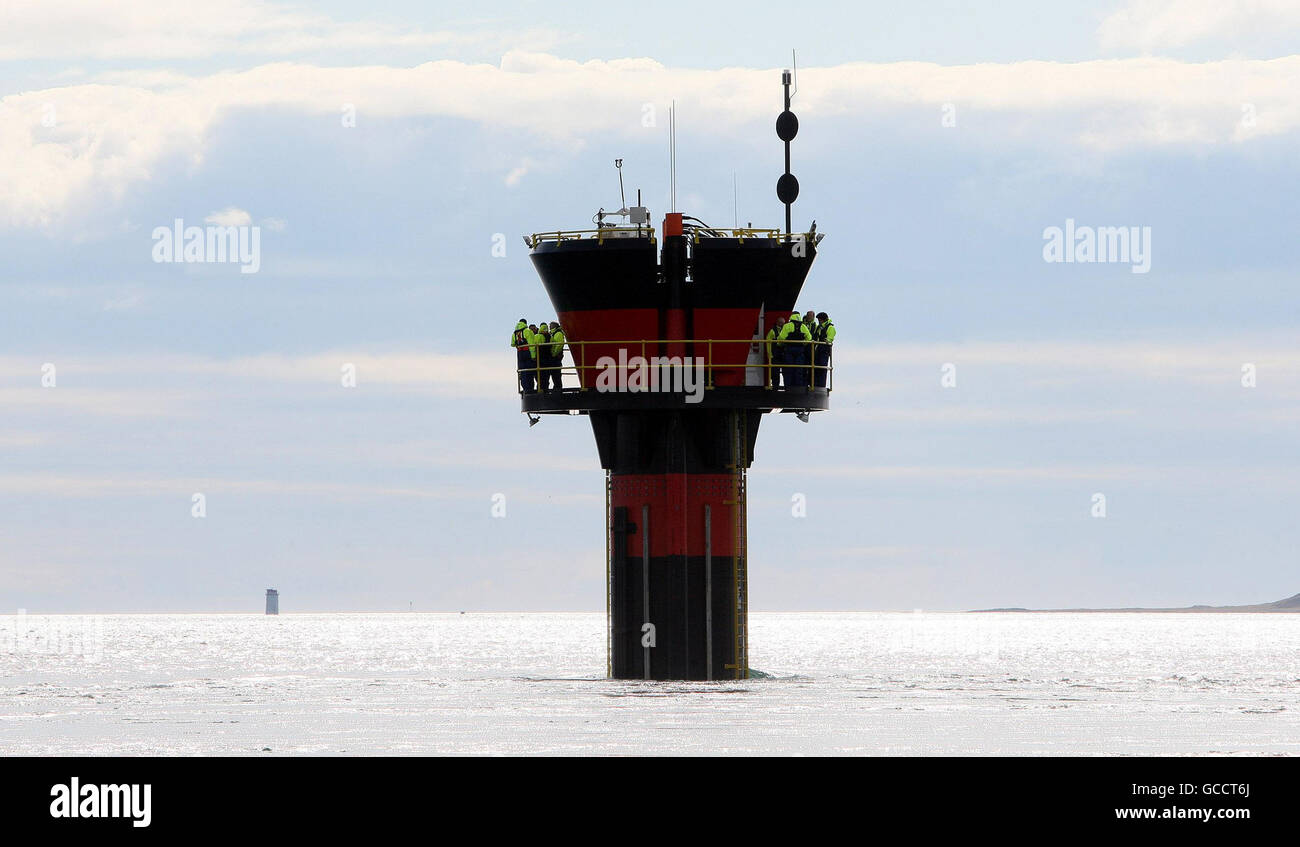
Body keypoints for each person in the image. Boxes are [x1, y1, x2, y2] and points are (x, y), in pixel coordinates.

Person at [777, 310, 812, 388]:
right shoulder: (803, 326)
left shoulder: (787, 326)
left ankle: (788, 386)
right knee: (798, 369)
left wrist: (780, 344)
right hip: (800, 351)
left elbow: (781, 338)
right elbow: (809, 338)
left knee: (788, 369)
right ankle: (798, 387)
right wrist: (803, 343)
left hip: (789, 350)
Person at [512, 319, 536, 394]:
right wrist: (533, 356)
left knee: (522, 371)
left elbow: (513, 344)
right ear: (525, 323)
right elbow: (532, 345)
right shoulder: (528, 331)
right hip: (527, 353)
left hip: (520, 353)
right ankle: (530, 389)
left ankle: (525, 388)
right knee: (529, 371)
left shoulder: (514, 333)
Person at [813, 312, 835, 388]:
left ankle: (821, 385)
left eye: (819, 320)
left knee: (822, 367)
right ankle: (815, 383)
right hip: (818, 349)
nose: (819, 321)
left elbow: (830, 338)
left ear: (823, 319)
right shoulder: (819, 327)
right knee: (815, 367)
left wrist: (827, 340)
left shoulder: (830, 327)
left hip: (824, 349)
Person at [546, 320, 566, 392]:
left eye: (550, 326)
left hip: (556, 358)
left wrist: (553, 353)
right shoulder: (555, 333)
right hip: (555, 357)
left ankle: (558, 389)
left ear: (554, 326)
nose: (549, 327)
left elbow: (559, 345)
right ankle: (557, 388)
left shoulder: (558, 334)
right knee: (555, 374)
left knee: (556, 375)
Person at [765, 321, 782, 388]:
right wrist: (770, 354)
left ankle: (778, 386)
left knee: (784, 372)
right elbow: (768, 342)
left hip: (782, 355)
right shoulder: (772, 331)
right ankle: (775, 386)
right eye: (781, 323)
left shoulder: (784, 329)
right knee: (775, 372)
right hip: (775, 355)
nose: (782, 324)